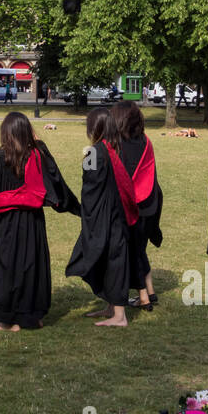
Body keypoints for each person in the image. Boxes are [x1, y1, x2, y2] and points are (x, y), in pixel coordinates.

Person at [0, 111, 80, 331]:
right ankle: (30, 317)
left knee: (5, 265)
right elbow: (56, 184)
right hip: (31, 222)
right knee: (30, 265)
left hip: (5, 222)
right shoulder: (38, 156)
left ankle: (5, 318)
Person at [66, 108, 135, 327]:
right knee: (110, 257)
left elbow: (89, 186)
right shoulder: (119, 148)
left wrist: (85, 212)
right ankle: (111, 307)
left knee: (112, 259)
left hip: (104, 214)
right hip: (118, 212)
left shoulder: (93, 151)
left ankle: (120, 316)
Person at [112, 100, 162, 310]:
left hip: (132, 205)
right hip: (151, 202)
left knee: (133, 251)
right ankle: (150, 291)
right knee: (140, 249)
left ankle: (143, 298)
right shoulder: (145, 140)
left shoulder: (117, 145)